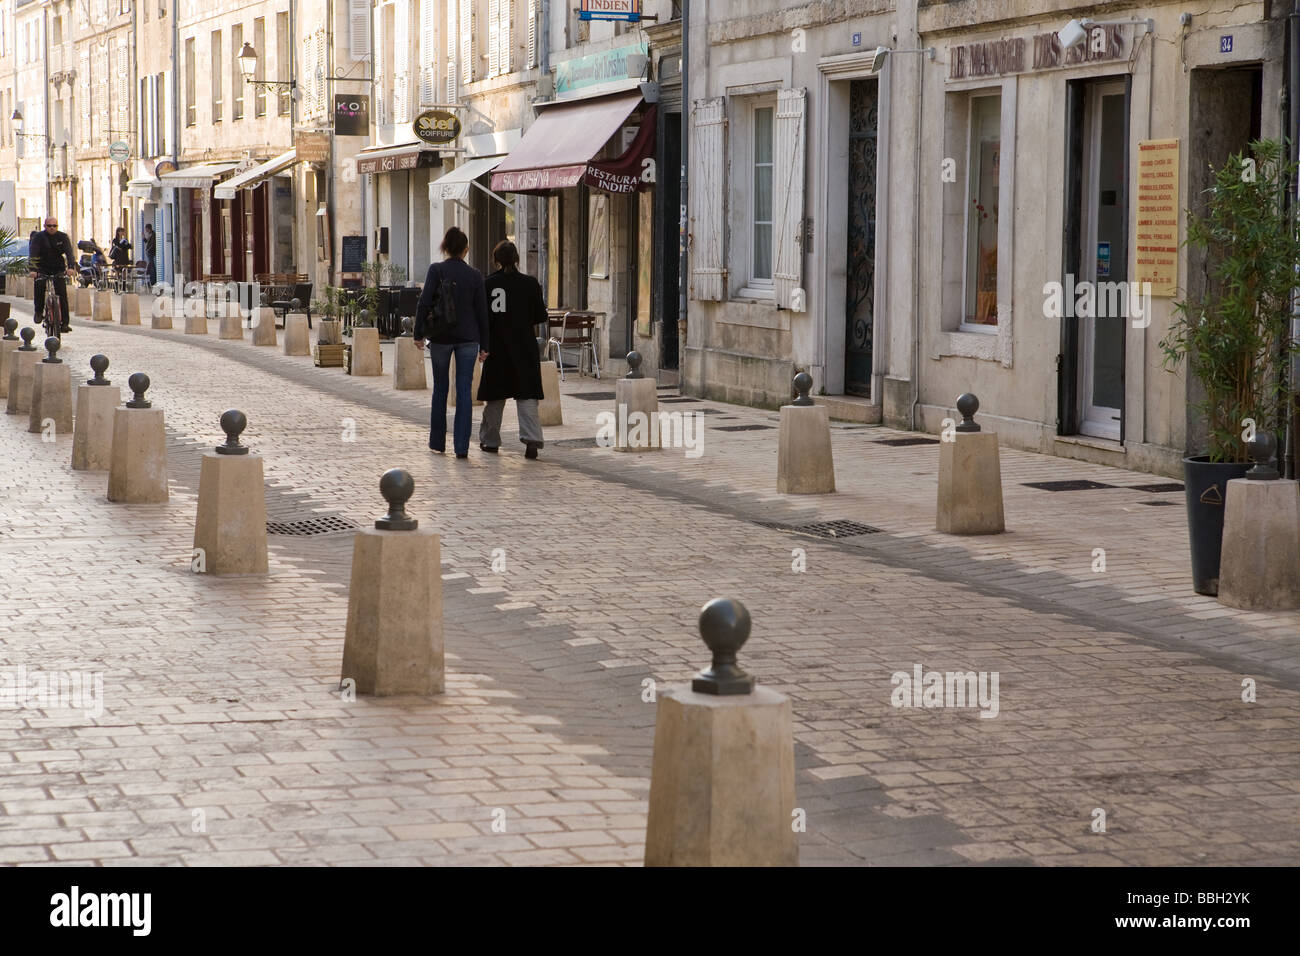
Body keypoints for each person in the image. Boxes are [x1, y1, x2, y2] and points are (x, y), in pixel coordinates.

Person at [413, 226, 489, 459]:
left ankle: (437, 442)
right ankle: (462, 447)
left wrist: (418, 333)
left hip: (441, 337)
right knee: (465, 391)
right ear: (466, 250)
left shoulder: (436, 270)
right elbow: (482, 312)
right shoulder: (475, 275)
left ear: (445, 247)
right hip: (468, 338)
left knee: (441, 389)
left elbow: (424, 303)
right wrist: (485, 345)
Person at [479, 240, 546, 460]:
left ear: (495, 260)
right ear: (517, 259)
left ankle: (490, 441)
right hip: (524, 346)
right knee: (526, 393)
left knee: (495, 395)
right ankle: (532, 440)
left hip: (497, 346)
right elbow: (540, 316)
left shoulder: (488, 284)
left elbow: (484, 318)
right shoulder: (530, 283)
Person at [28, 217, 78, 333]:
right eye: (49, 226)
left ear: (57, 226)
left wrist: (70, 267)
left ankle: (65, 323)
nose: (52, 228)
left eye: (54, 226)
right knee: (39, 285)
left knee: (62, 294)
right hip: (42, 267)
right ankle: (39, 312)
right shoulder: (38, 237)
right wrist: (33, 270)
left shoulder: (63, 237)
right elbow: (33, 254)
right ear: (45, 226)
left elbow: (69, 253)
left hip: (58, 268)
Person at [143, 223, 157, 287]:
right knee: (151, 266)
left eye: (146, 229)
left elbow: (153, 244)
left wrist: (148, 250)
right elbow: (147, 242)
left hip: (150, 252)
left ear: (148, 229)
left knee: (152, 267)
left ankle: (153, 281)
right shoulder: (150, 234)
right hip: (149, 252)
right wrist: (144, 238)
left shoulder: (153, 234)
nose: (145, 230)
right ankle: (151, 281)